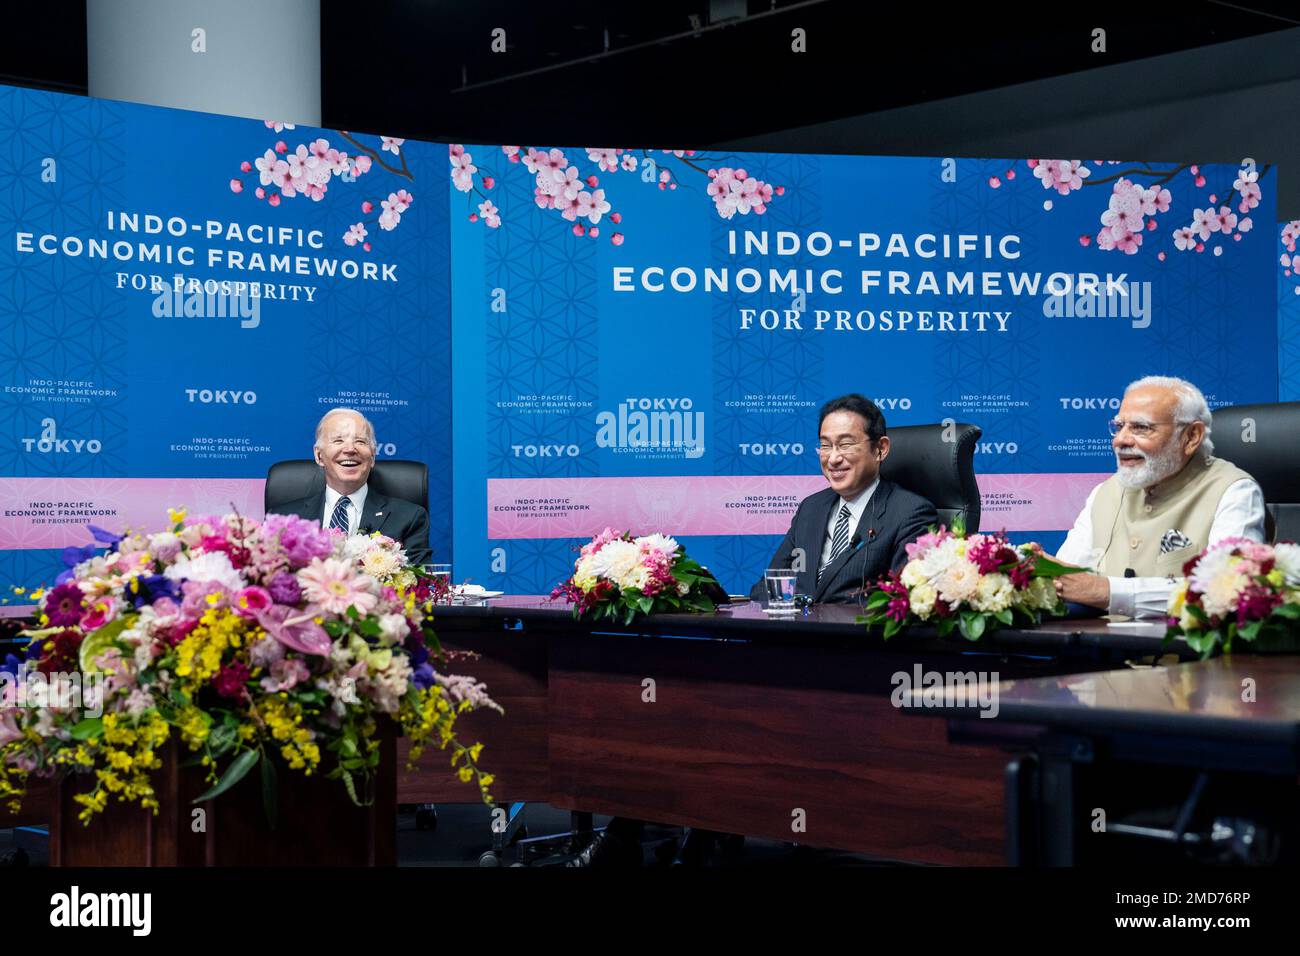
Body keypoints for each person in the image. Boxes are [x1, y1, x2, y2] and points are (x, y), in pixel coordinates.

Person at [1054, 375, 1265, 618]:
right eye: (1119, 426)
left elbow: (1229, 593)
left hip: (1183, 655)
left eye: (1141, 427)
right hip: (1098, 650)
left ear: (1191, 436)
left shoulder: (1234, 490)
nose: (1120, 440)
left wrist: (1107, 592)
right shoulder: (1104, 493)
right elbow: (1070, 581)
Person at [750, 394, 937, 604]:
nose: (833, 458)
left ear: (880, 449)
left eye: (845, 444)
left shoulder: (909, 513)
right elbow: (769, 588)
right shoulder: (811, 508)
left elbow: (900, 603)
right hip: (794, 632)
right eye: (826, 446)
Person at [271, 407, 433, 567]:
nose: (349, 449)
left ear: (373, 457)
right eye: (338, 440)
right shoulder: (283, 520)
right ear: (319, 455)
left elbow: (420, 586)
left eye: (360, 441)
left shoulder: (409, 518)